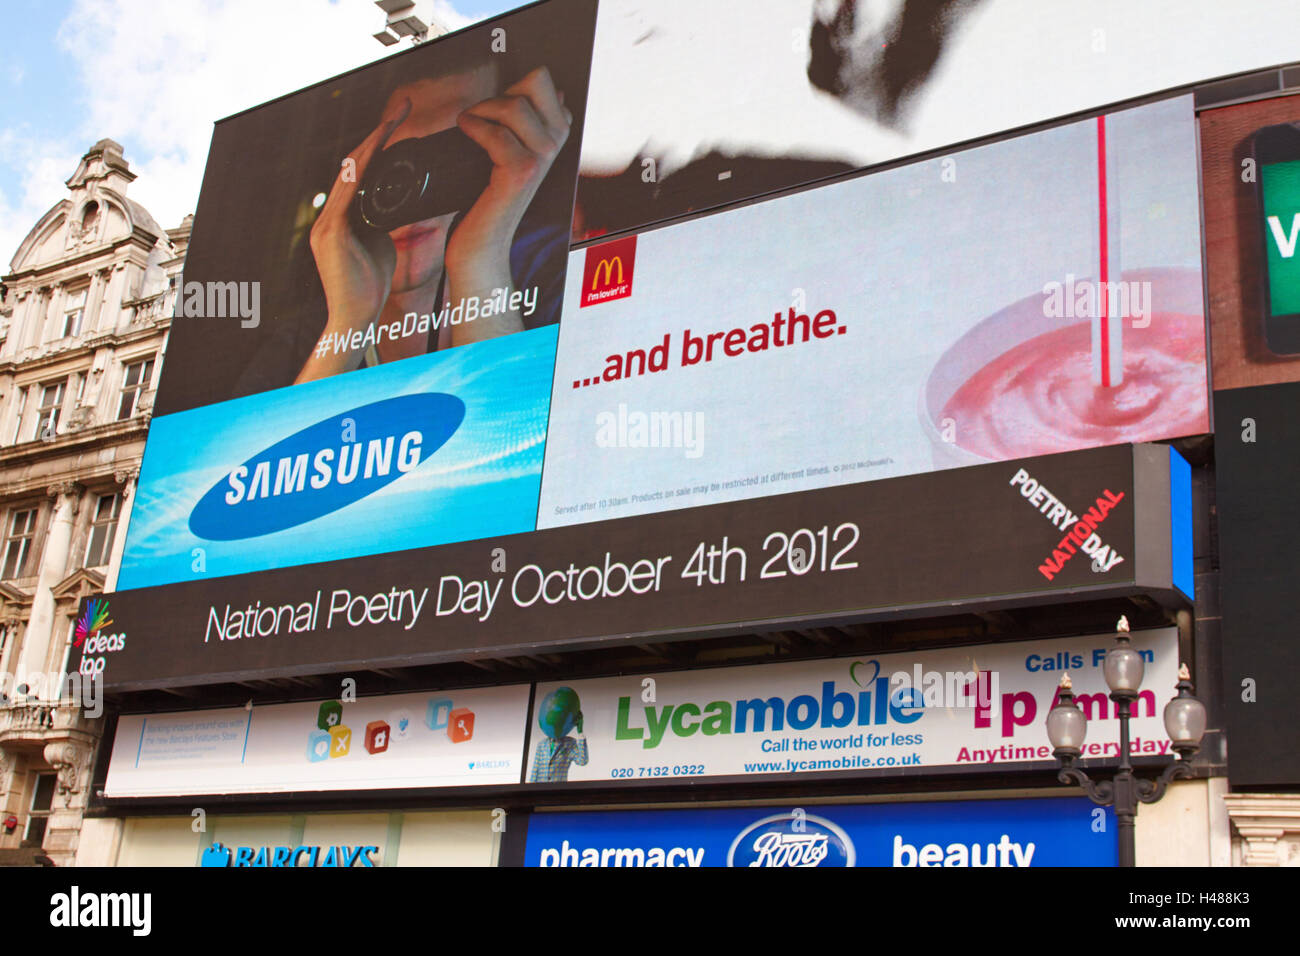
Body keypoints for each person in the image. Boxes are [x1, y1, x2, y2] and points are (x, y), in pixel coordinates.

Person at [297, 63, 572, 383]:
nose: (415, 199)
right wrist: (346, 326)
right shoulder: (304, 334)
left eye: (448, 158)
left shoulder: (561, 273)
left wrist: (480, 261)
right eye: (395, 166)